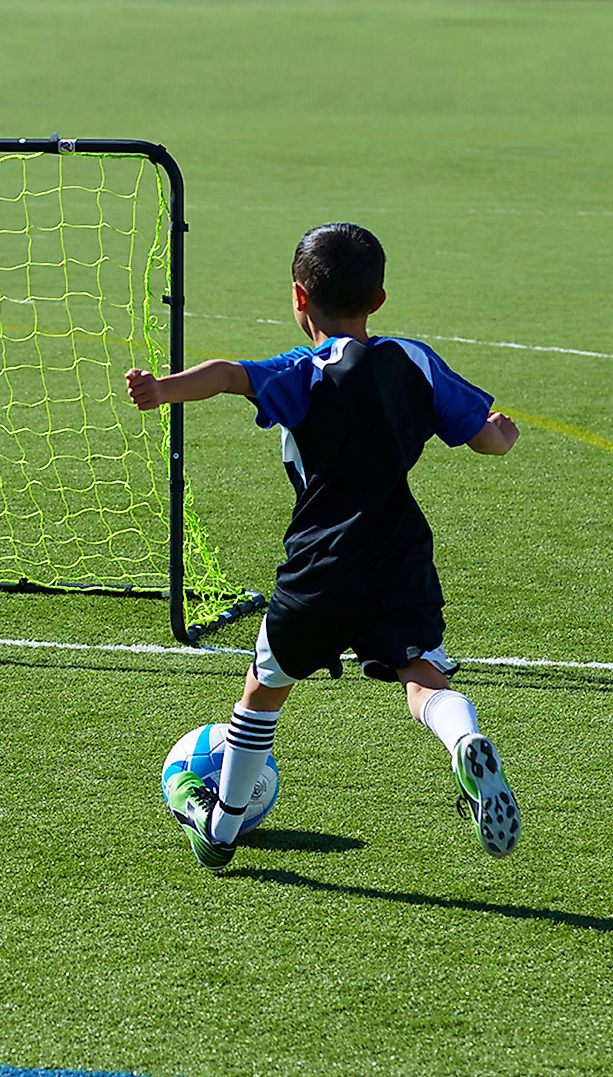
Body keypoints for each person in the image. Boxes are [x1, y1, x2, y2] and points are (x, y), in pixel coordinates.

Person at [126, 222, 520, 871]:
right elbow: (486, 439)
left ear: (298, 297)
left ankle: (221, 828)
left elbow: (226, 376)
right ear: (380, 299)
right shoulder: (415, 362)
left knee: (263, 690)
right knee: (422, 679)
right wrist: (502, 434)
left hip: (319, 564)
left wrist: (162, 390)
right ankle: (462, 742)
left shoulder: (304, 371)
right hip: (398, 557)